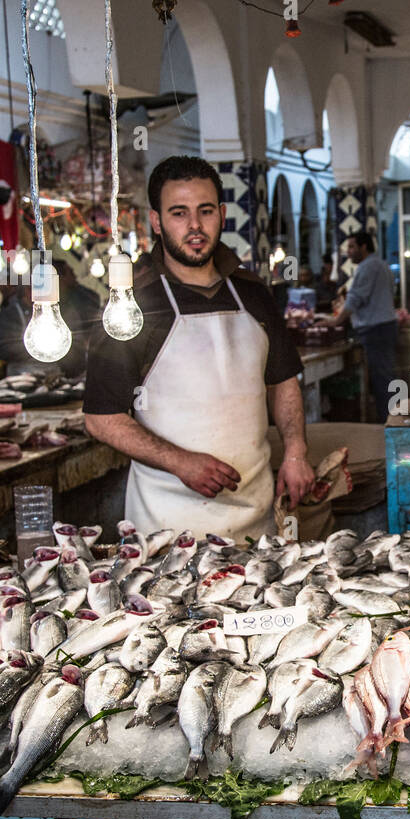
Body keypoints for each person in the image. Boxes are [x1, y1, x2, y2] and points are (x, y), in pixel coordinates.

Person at [84, 155, 314, 539]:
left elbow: (283, 381)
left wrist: (295, 451)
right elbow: (100, 418)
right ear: (156, 221)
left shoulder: (254, 294)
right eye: (178, 213)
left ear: (222, 214)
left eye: (205, 211)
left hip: (257, 523)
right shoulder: (130, 307)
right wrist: (180, 462)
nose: (194, 226)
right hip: (167, 530)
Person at [328, 231, 398, 422]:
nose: (348, 252)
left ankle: (388, 422)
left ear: (363, 246)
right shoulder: (382, 265)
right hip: (385, 327)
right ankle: (391, 419)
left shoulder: (368, 267)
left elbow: (355, 299)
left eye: (351, 246)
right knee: (386, 377)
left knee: (382, 380)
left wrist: (335, 321)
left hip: (376, 330)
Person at [0, 260, 98, 377]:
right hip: (20, 378)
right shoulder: (10, 314)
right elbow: (2, 348)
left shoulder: (64, 312)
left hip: (55, 376)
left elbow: (76, 344)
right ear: (28, 288)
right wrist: (39, 350)